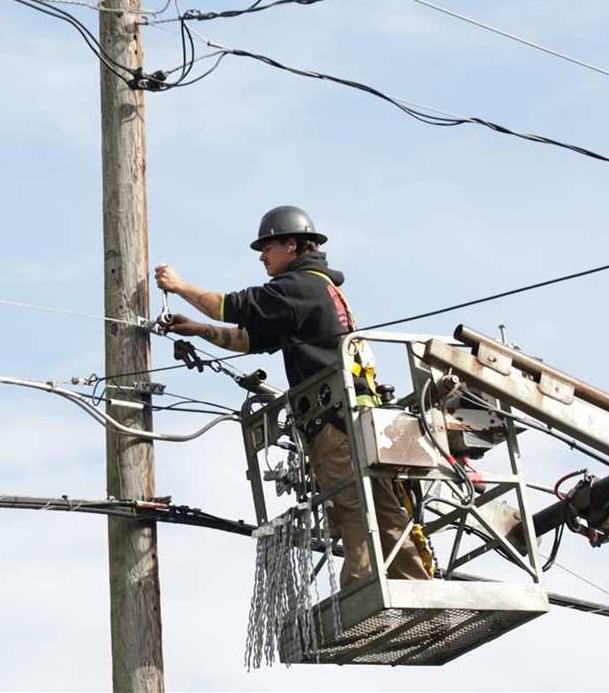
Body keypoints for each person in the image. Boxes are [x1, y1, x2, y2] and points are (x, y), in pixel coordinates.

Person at [154, 205, 430, 585]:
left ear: (291, 245)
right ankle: (417, 588)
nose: (262, 257)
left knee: (353, 509)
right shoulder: (316, 289)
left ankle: (363, 594)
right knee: (382, 511)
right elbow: (250, 338)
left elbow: (234, 307)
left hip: (335, 421)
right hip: (357, 416)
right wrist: (200, 330)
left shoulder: (299, 287)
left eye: (266, 248)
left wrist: (180, 286)